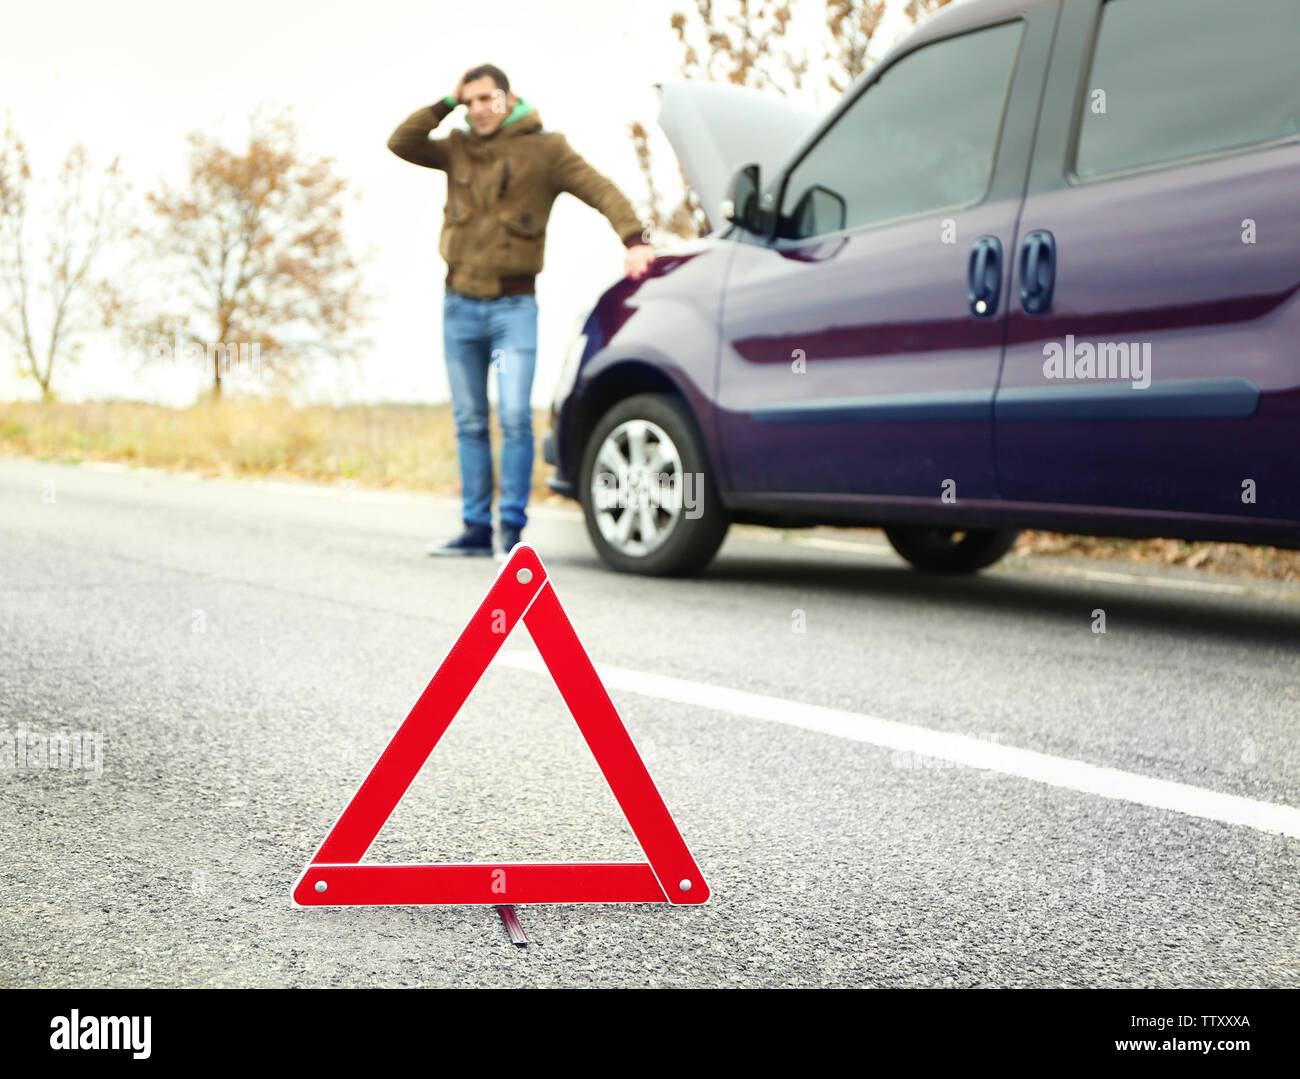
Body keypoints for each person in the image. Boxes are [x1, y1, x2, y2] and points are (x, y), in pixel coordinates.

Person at [386, 63, 656, 558]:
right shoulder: (456, 148)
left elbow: (601, 190)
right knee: (469, 420)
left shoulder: (546, 150)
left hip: (514, 309)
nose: (479, 110)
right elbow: (401, 142)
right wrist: (446, 103)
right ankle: (473, 530)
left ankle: (510, 531)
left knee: (513, 415)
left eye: (487, 99)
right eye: (470, 103)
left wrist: (634, 239)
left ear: (509, 98)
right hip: (459, 307)